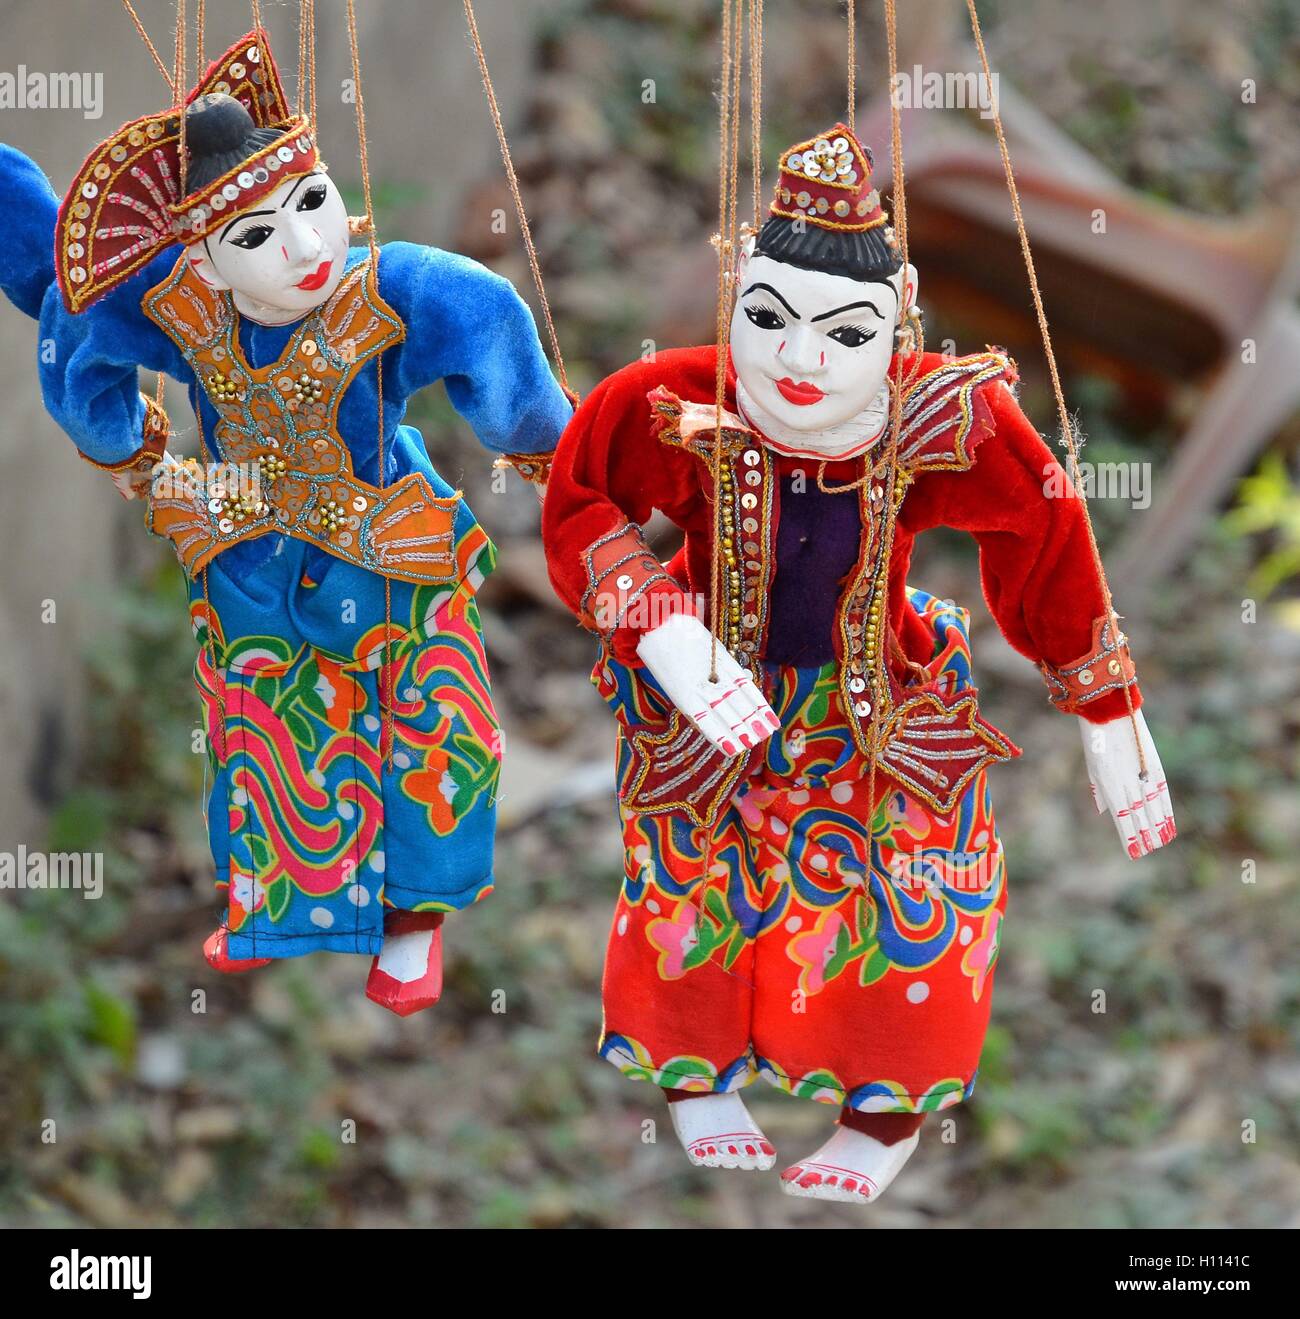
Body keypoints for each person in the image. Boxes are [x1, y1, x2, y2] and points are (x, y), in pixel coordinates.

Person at [541, 124, 1175, 1202]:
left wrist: (1104, 706)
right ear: (733, 294)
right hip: (711, 697)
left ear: (902, 318)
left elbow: (1045, 527)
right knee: (690, 883)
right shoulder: (680, 400)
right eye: (769, 319)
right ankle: (697, 1077)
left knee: (916, 895)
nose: (799, 361)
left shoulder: (941, 415)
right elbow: (577, 497)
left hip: (876, 705)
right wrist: (655, 619)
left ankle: (883, 1109)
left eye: (845, 332)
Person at [0, 30, 570, 1015]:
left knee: (430, 725)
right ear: (209, 268)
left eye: (310, 206)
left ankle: (414, 919)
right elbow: (74, 313)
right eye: (257, 236)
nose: (304, 247)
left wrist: (544, 444)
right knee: (272, 737)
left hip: (387, 543)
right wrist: (128, 442)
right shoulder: (184, 313)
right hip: (254, 558)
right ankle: (279, 909)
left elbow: (488, 318)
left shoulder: (392, 288)